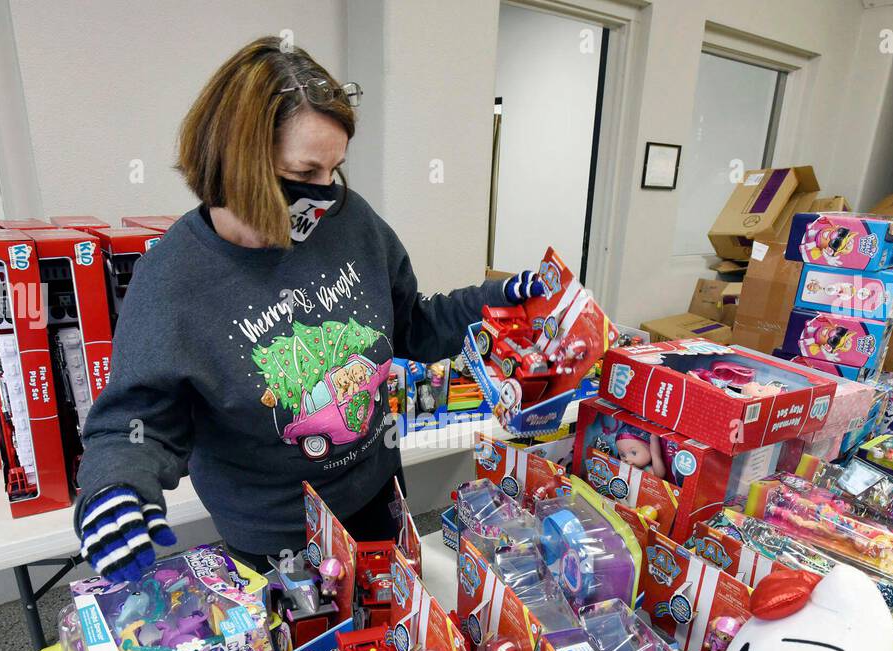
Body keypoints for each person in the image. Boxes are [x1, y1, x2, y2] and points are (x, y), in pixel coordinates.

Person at [74, 37, 543, 582]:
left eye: (334, 171)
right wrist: (115, 487)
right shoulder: (173, 280)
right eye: (306, 172)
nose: (324, 195)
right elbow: (138, 423)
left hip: (377, 489)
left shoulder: (351, 222)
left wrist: (496, 305)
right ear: (239, 165)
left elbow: (409, 324)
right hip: (278, 533)